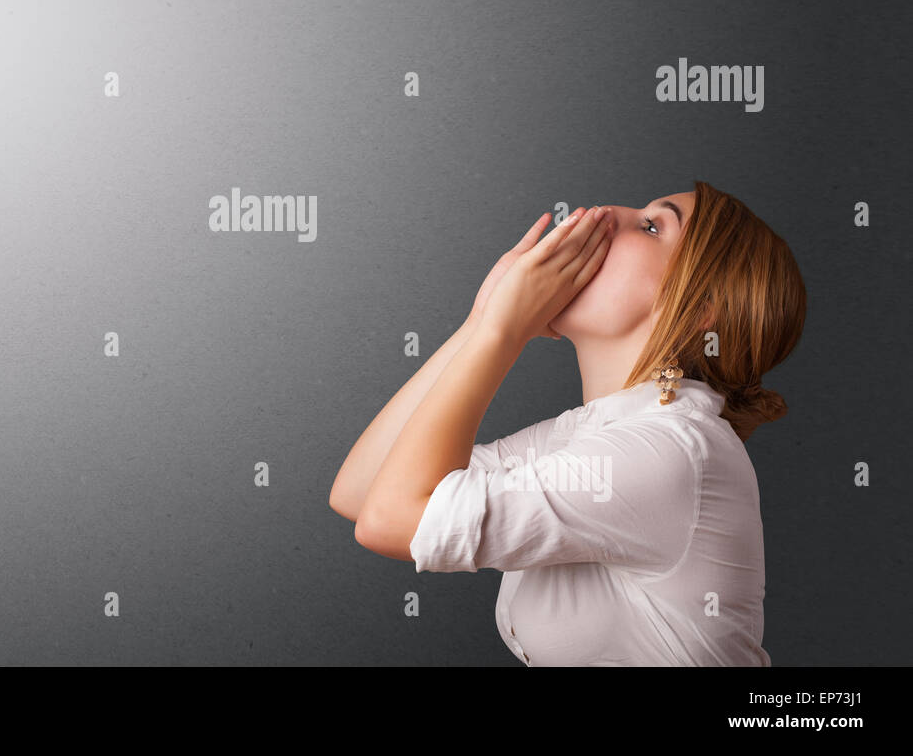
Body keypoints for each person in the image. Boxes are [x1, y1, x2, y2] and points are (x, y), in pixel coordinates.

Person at [329, 181, 806, 665]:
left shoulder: (671, 450)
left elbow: (390, 520)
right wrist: (481, 322)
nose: (605, 212)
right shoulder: (586, 436)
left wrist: (504, 331)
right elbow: (362, 493)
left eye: (650, 226)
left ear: (706, 308)